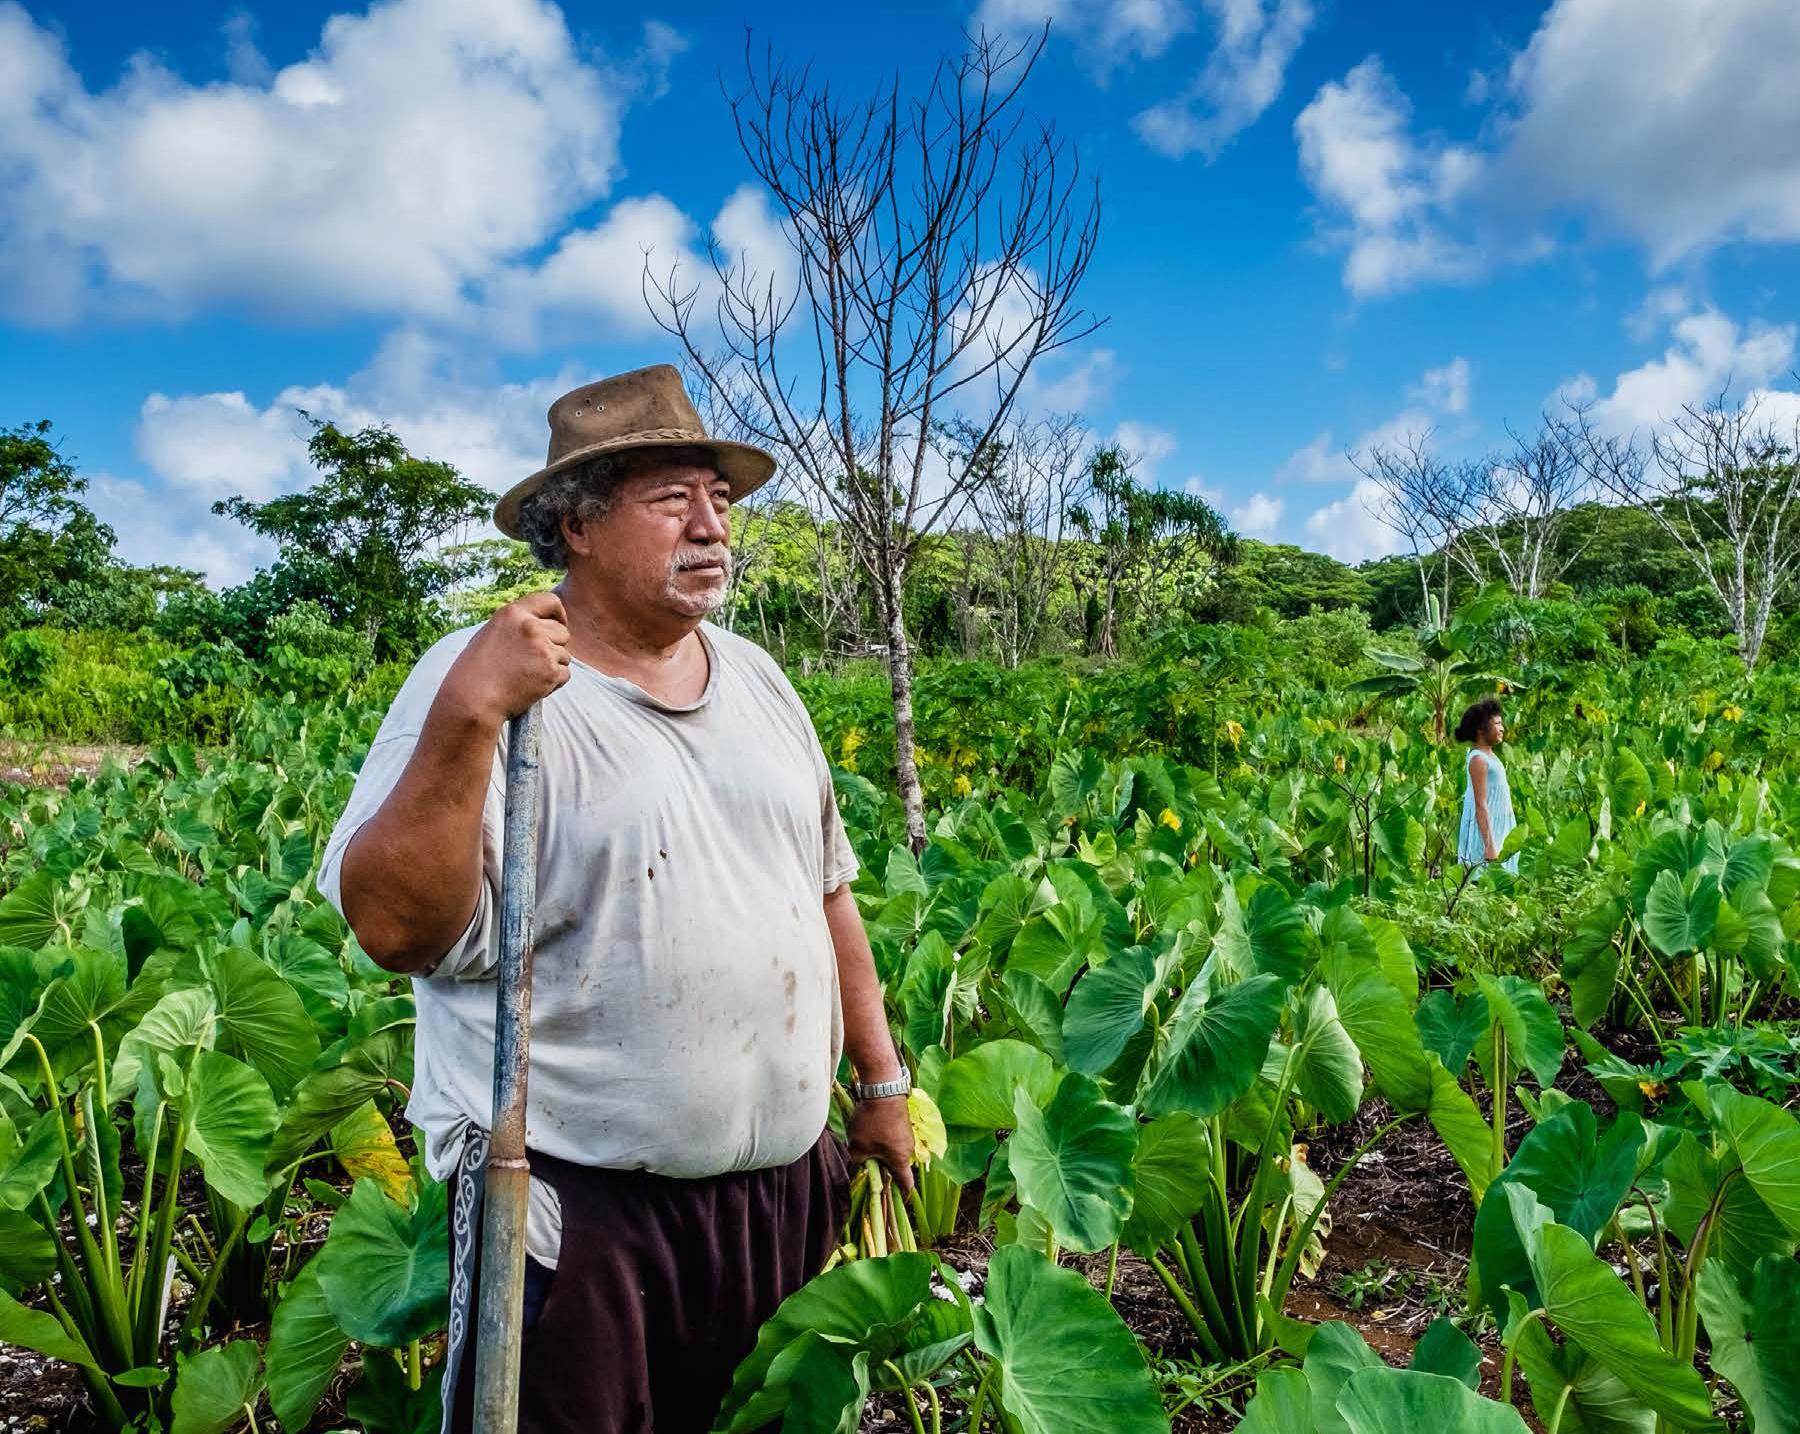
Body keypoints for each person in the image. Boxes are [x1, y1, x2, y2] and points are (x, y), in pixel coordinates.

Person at [316, 364, 914, 1434]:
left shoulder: (761, 681)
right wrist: (468, 713)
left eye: (720, 500)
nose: (711, 525)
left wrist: (878, 1081)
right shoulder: (482, 681)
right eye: (670, 499)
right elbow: (393, 926)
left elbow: (827, 896)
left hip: (775, 1188)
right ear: (577, 525)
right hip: (573, 1202)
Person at [1455, 698, 1518, 874]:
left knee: (1503, 883)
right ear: (1481, 729)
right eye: (1497, 723)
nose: (1502, 728)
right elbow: (1480, 804)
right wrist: (1489, 845)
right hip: (1485, 834)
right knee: (1482, 882)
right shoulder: (1478, 760)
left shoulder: (1490, 756)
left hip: (1500, 828)